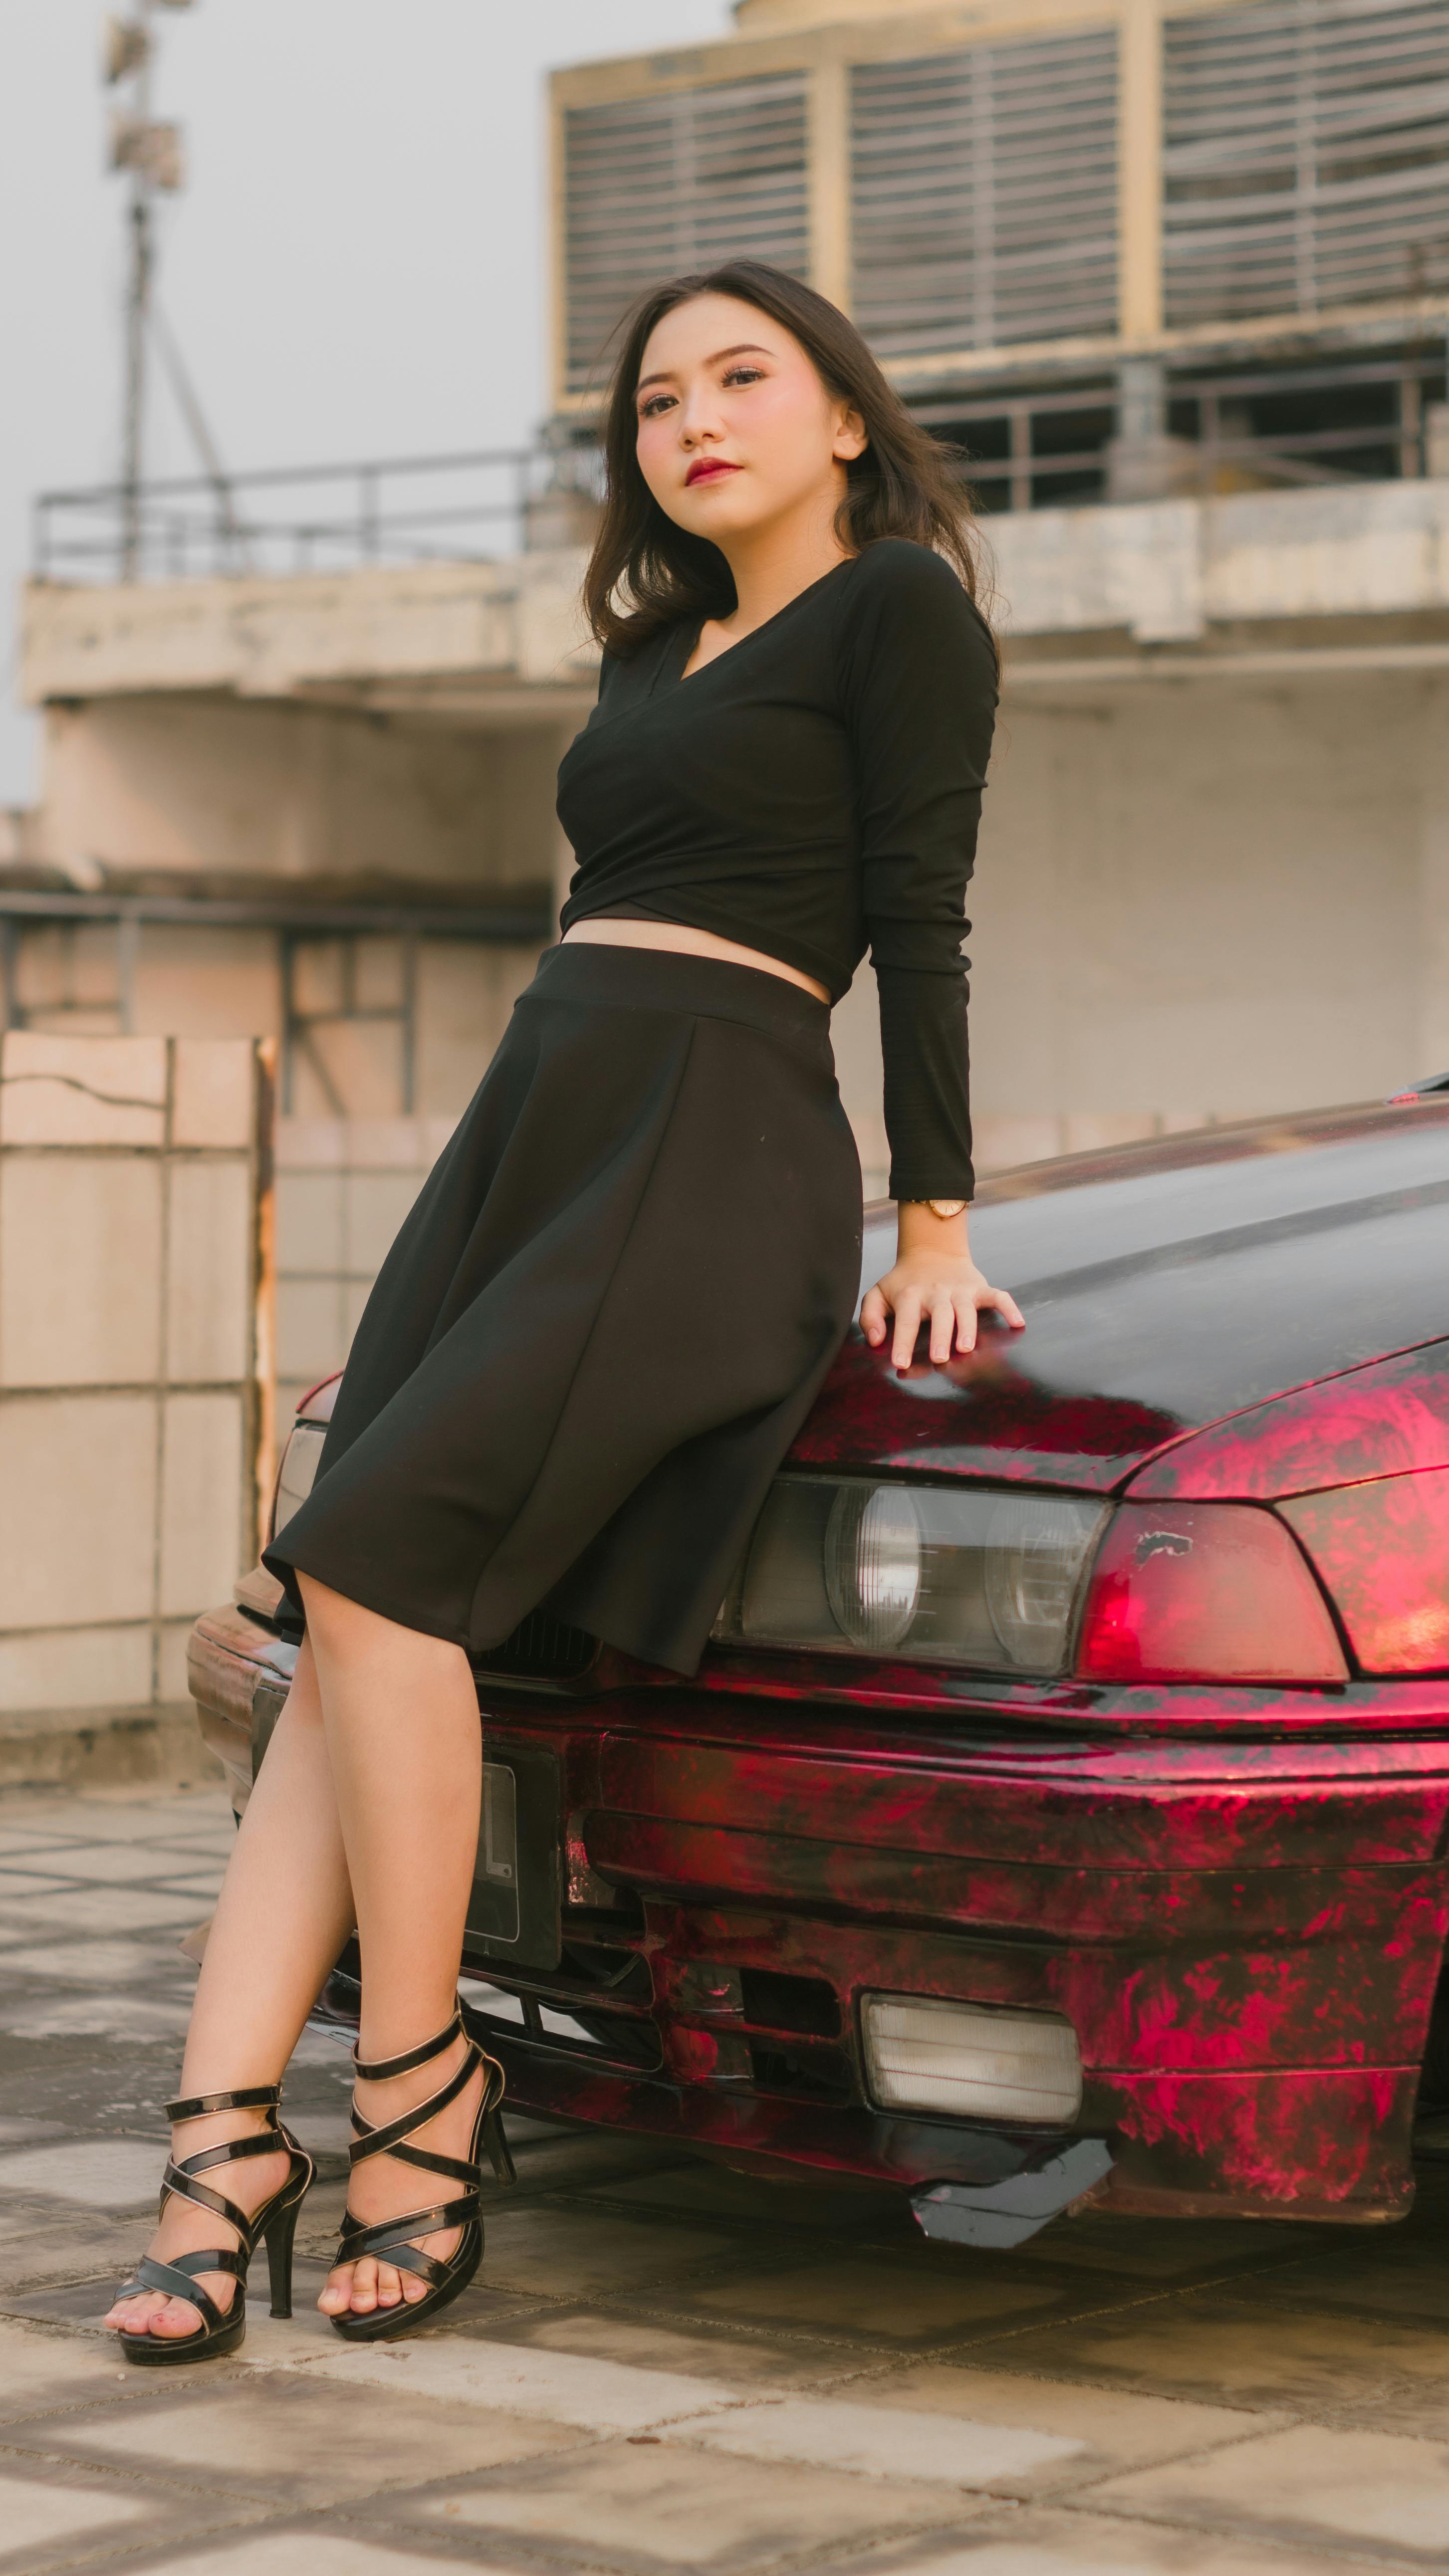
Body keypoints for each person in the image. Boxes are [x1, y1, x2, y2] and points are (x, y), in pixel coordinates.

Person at [104, 256, 1022, 2363]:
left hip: (713, 1143)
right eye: (655, 399)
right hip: (538, 1133)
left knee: (394, 1577)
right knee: (346, 1588)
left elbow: (923, 919)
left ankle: (420, 2098)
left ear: (844, 418)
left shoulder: (901, 615)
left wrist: (937, 1217)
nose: (692, 419)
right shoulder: (644, 651)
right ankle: (224, 2133)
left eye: (742, 378)